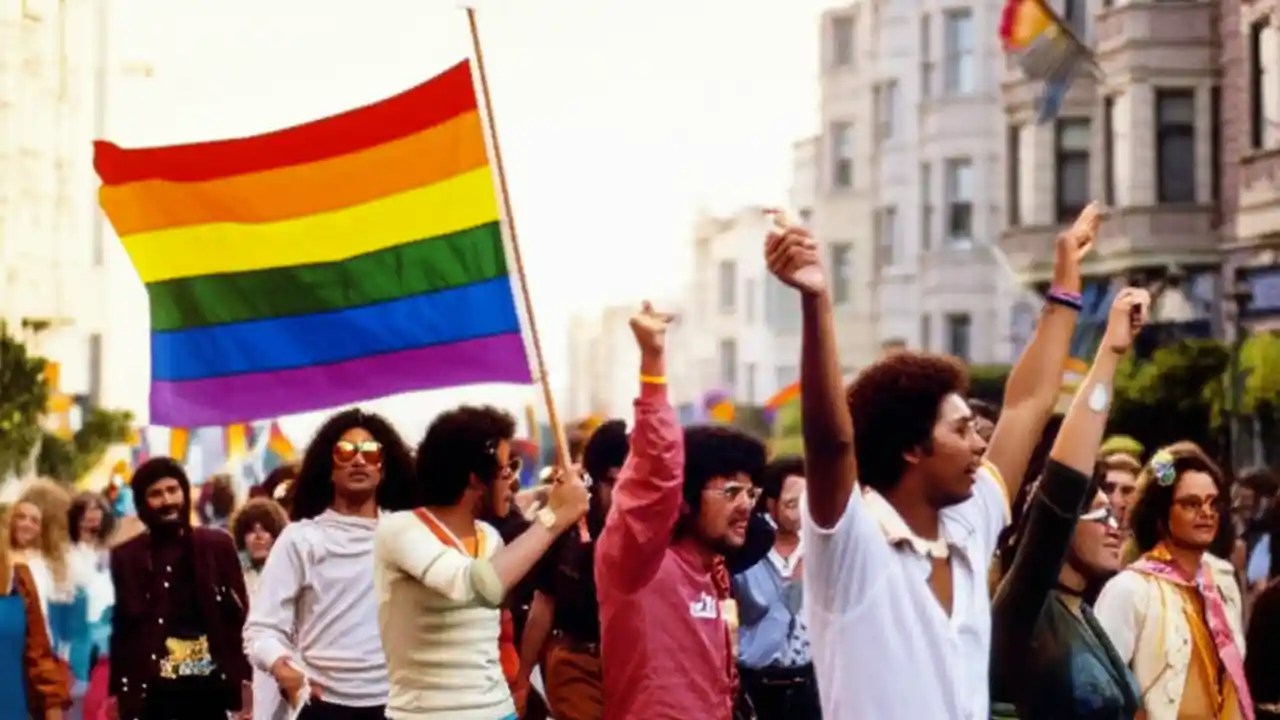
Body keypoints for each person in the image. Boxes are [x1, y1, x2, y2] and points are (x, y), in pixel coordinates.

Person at [764, 203, 1095, 718]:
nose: (980, 444)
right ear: (912, 448)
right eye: (960, 430)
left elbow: (1027, 404)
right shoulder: (851, 544)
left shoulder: (968, 522)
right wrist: (817, 303)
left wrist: (1066, 289)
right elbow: (831, 443)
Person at [595, 302, 769, 720]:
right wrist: (653, 364)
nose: (745, 503)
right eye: (730, 490)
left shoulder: (713, 569)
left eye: (751, 491)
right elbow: (655, 475)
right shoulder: (637, 564)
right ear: (685, 498)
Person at [990, 288, 1148, 719]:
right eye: (1098, 514)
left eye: (1116, 515)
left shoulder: (1086, 608)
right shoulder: (1025, 608)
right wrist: (1109, 356)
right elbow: (1059, 491)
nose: (1115, 525)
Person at [374, 404, 589, 720]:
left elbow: (500, 623)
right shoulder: (400, 531)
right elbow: (475, 585)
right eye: (506, 469)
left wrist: (517, 682)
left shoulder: (489, 536)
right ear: (475, 479)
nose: (513, 483)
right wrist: (553, 516)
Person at [245, 408, 418, 720]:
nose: (358, 460)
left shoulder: (408, 535)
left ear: (384, 467)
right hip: (323, 706)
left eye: (370, 452)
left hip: (400, 704)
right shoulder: (300, 539)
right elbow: (262, 628)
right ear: (329, 468)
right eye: (345, 451)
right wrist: (285, 670)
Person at [1095, 442, 1253, 720]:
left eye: (1213, 503)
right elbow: (1101, 695)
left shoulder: (1223, 583)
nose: (1207, 512)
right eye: (1191, 503)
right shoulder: (1130, 589)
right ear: (1160, 514)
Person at [107, 457, 251, 720]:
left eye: (173, 490)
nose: (167, 501)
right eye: (156, 494)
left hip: (210, 692)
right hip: (152, 696)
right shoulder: (126, 557)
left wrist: (246, 684)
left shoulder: (216, 545)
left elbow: (240, 618)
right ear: (142, 503)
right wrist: (119, 692)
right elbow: (122, 630)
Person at [519, 419, 629, 720]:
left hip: (637, 664)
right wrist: (522, 680)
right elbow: (544, 603)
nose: (627, 498)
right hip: (579, 662)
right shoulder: (566, 524)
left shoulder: (655, 531)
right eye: (618, 483)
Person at [733, 455, 818, 720]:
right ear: (770, 503)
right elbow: (755, 648)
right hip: (758, 688)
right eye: (793, 503)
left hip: (811, 686)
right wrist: (794, 589)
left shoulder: (818, 545)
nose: (802, 512)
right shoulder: (745, 549)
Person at [0, 505, 71, 720]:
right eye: (21, 517)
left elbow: (39, 655)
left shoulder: (18, 579)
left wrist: (53, 709)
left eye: (34, 520)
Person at [67, 492, 117, 681]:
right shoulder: (69, 552)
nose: (95, 514)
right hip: (83, 630)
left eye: (98, 508)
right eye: (89, 509)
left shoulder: (110, 549)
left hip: (112, 625)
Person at [228, 497, 288, 598]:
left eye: (265, 529)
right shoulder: (233, 576)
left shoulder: (290, 574)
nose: (258, 536)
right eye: (251, 531)